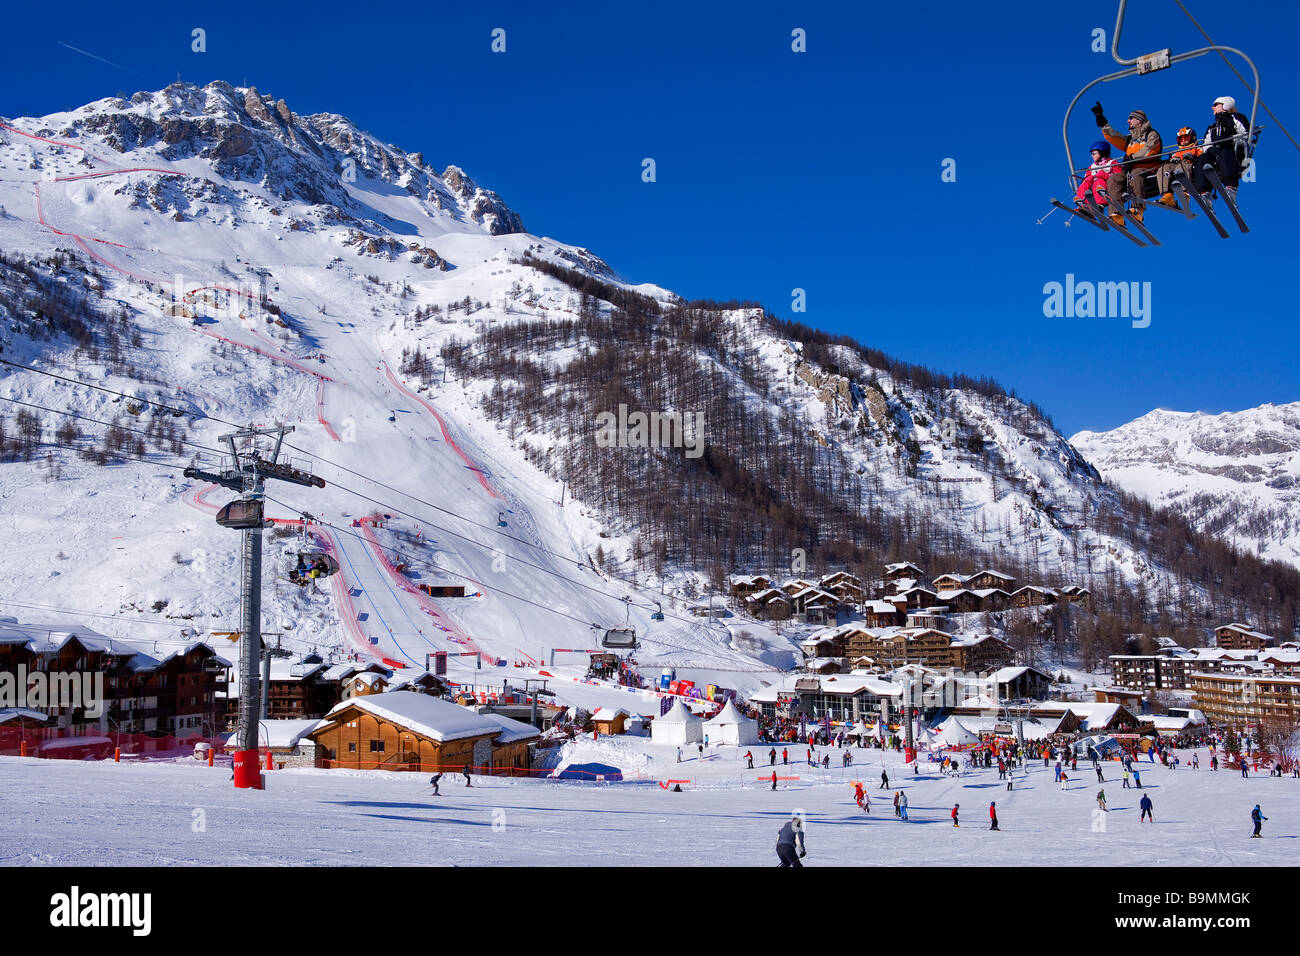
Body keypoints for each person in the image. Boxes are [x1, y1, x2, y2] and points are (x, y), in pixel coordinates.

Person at [1092, 102, 1163, 226]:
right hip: (1131, 170)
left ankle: (1138, 209)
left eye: (1131, 118)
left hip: (1149, 168)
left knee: (1135, 173)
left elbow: (1150, 149)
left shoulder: (1151, 134)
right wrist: (1101, 120)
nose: (1127, 121)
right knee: (1114, 178)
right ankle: (1116, 213)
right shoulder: (1130, 140)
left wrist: (1132, 157)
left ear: (1139, 121)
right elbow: (1114, 136)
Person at [1193, 95, 1250, 204]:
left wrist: (1230, 140)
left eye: (1216, 105)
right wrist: (1210, 150)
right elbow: (1206, 143)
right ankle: (1204, 192)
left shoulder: (1236, 118)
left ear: (1225, 105)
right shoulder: (1212, 127)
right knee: (1202, 158)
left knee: (1225, 151)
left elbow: (1246, 134)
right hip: (1217, 154)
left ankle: (1231, 187)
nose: (1212, 108)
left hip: (1234, 152)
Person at [1074, 140, 1121, 212]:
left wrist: (1103, 175)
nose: (1092, 156)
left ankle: (1100, 205)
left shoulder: (1112, 163)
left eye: (1094, 153)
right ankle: (1083, 203)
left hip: (1108, 187)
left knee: (1098, 181)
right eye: (1092, 154)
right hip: (1093, 189)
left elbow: (1118, 175)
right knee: (1086, 182)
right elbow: (1087, 176)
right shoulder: (1092, 166)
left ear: (1102, 152)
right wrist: (1090, 178)